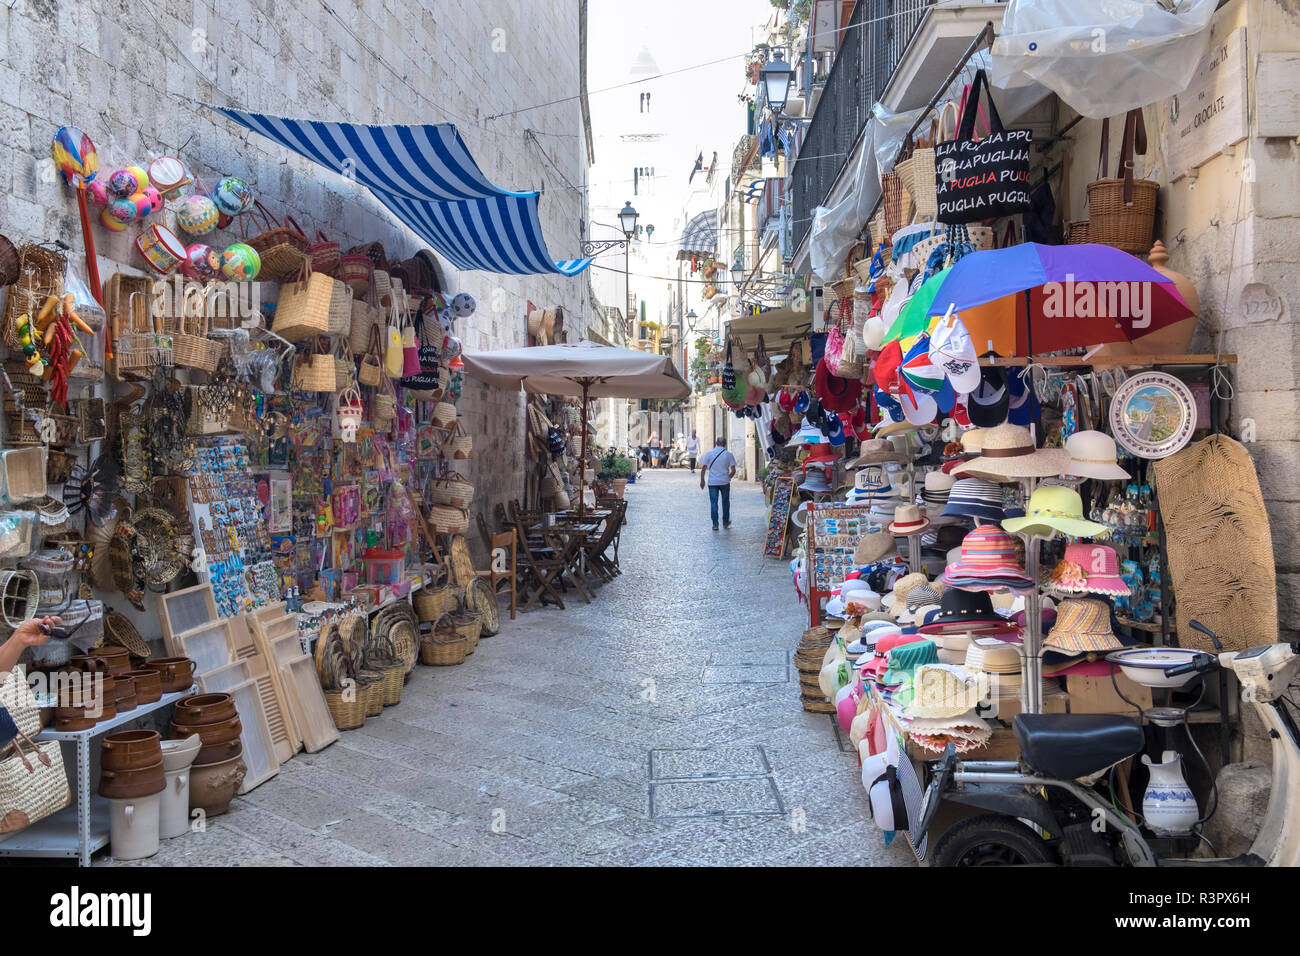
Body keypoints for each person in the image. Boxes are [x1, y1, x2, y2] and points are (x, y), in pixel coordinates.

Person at [699, 437, 737, 530]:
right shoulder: (729, 455)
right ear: (725, 444)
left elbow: (703, 468)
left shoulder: (709, 453)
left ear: (716, 443)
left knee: (713, 503)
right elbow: (733, 470)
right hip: (724, 482)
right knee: (725, 502)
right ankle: (725, 522)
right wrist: (728, 477)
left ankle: (715, 524)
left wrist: (702, 480)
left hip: (712, 482)